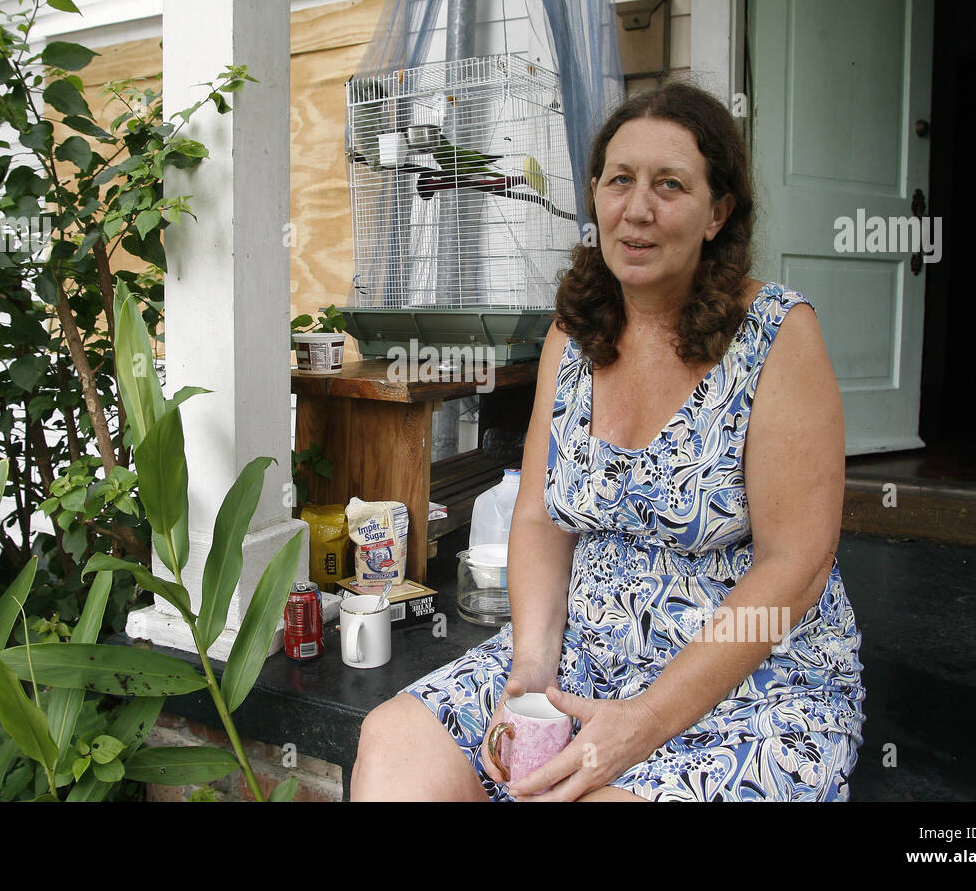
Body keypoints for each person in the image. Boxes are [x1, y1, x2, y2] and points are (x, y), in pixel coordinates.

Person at [349, 79, 865, 801]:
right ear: (595, 195)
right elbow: (537, 514)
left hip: (744, 685)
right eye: (619, 180)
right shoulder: (575, 335)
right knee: (394, 741)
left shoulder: (777, 334)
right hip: (583, 658)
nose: (638, 209)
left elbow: (797, 564)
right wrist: (530, 669)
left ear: (718, 212)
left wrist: (645, 722)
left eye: (670, 185)